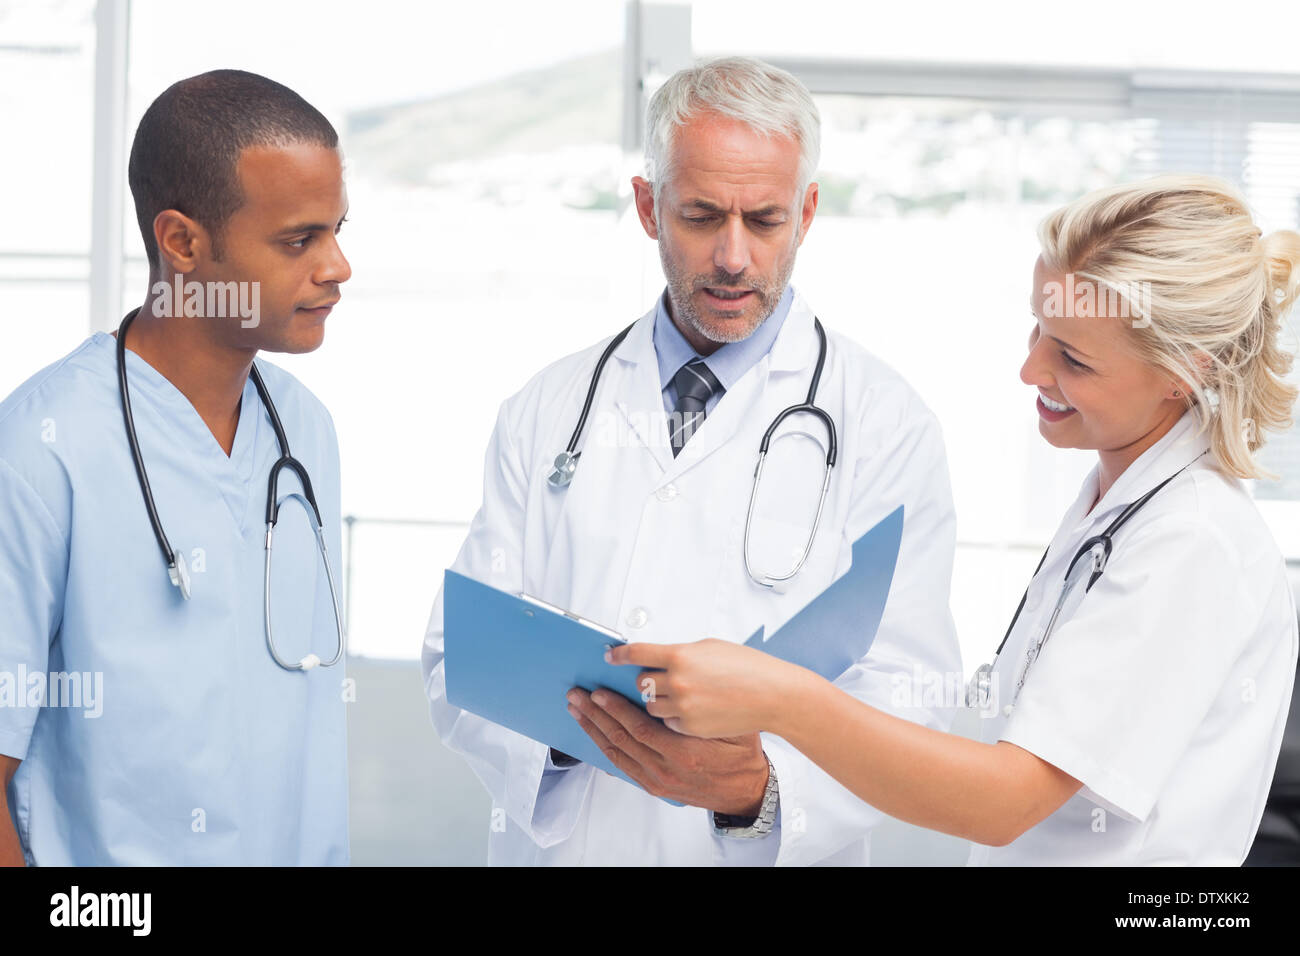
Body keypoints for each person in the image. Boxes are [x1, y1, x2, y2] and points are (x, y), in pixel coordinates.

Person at [606, 174, 1300, 865]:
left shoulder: (1193, 539)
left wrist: (782, 699)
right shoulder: (1117, 502)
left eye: (1073, 357)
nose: (1031, 368)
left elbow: (1006, 802)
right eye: (1039, 329)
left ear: (1184, 370)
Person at [422, 57, 962, 866]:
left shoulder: (886, 426)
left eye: (766, 220)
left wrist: (756, 789)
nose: (734, 257)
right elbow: (457, 655)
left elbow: (915, 694)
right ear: (648, 206)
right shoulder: (549, 407)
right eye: (703, 216)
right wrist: (571, 736)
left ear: (808, 212)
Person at [0, 70, 352, 865]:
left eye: (337, 229)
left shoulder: (305, 432)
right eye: (300, 240)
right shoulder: (41, 448)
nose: (337, 267)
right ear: (183, 242)